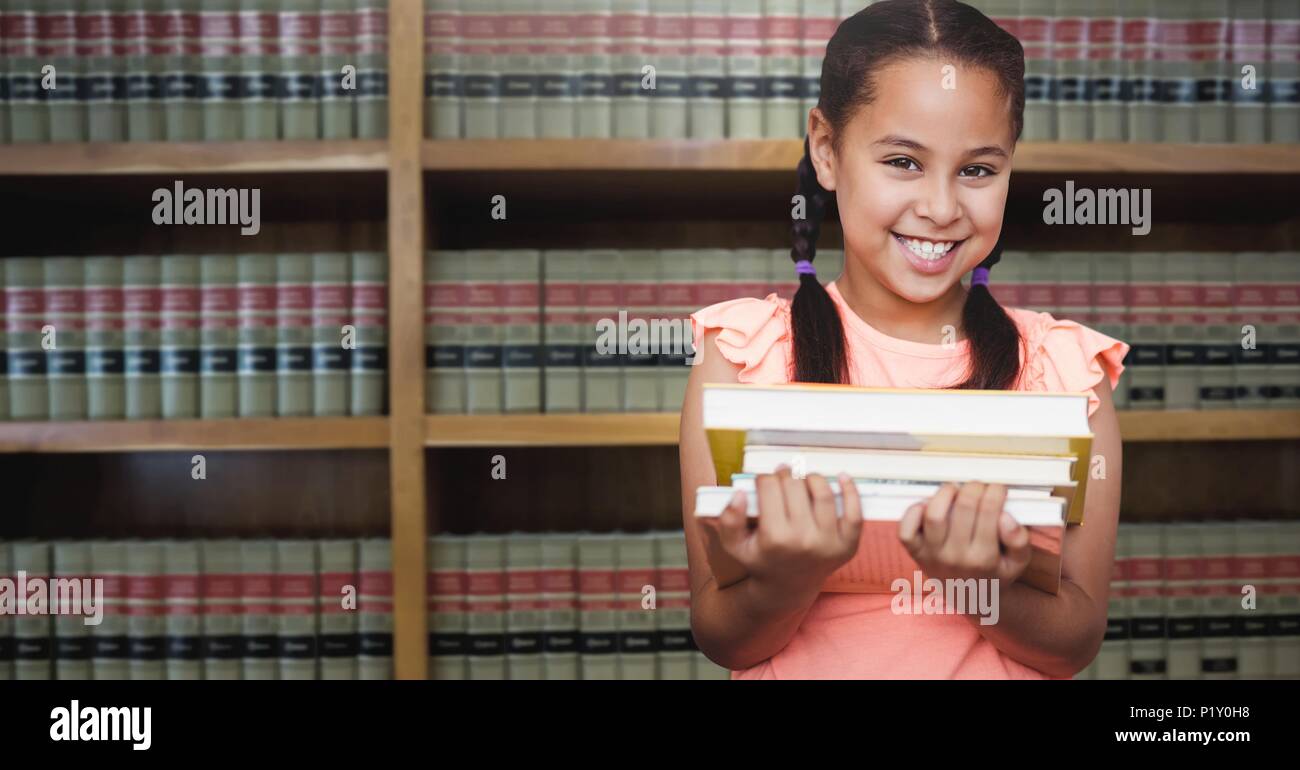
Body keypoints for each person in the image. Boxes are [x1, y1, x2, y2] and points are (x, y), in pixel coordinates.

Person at [677, 0, 1130, 679]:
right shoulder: (742, 357)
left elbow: (1074, 642)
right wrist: (789, 579)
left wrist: (981, 584)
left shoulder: (1067, 376)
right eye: (903, 162)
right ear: (826, 151)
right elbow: (723, 637)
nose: (942, 208)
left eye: (978, 170)